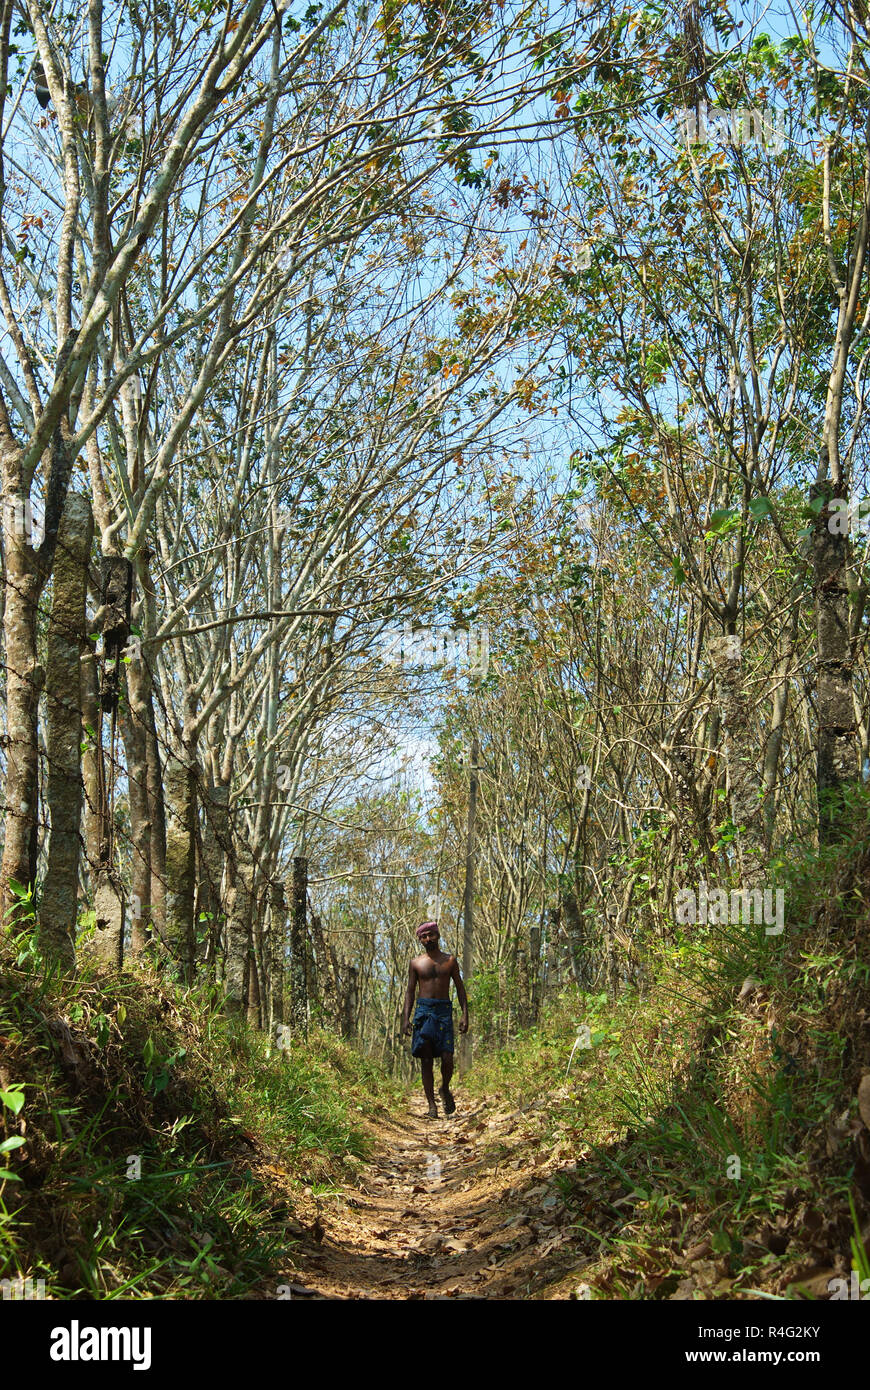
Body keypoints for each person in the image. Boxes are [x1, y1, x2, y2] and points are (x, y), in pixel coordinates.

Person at [402, 920, 469, 1119]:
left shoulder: (450, 961)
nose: (428, 939)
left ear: (438, 935)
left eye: (431, 934)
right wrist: (405, 1019)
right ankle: (432, 1106)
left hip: (443, 1011)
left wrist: (465, 1014)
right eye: (424, 936)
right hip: (423, 1011)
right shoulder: (416, 963)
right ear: (420, 939)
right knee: (426, 1059)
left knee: (447, 1057)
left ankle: (445, 1088)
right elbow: (410, 991)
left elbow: (460, 988)